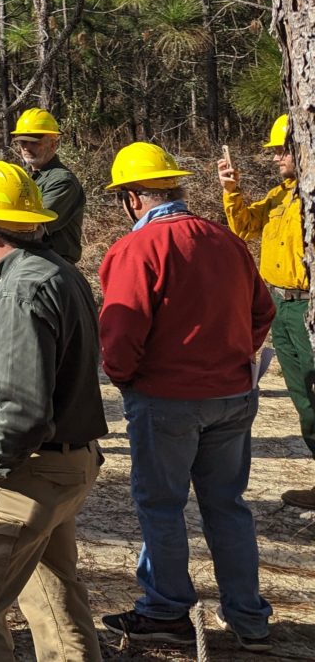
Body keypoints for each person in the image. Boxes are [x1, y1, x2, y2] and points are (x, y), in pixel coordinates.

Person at [100, 142, 275, 654]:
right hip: (232, 396)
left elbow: (122, 330)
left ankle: (165, 611)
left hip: (166, 399)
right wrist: (234, 353)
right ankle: (249, 618)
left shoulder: (136, 250)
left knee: (161, 506)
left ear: (134, 198)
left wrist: (125, 377)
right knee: (228, 507)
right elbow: (261, 311)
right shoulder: (225, 240)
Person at [0, 161, 107, 662]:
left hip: (23, 474)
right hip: (61, 465)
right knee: (54, 598)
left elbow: (24, 406)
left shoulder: (21, 289)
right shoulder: (56, 271)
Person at [221, 112, 314, 507]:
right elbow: (244, 227)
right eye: (275, 151)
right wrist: (231, 191)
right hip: (281, 306)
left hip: (308, 306)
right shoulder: (280, 194)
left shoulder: (308, 197)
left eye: (281, 151)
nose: (276, 158)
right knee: (303, 396)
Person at [12, 107, 86, 263]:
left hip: (54, 265)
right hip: (32, 261)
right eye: (22, 141)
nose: (26, 147)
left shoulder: (63, 181)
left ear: (53, 144)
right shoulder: (27, 178)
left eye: (34, 142)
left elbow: (33, 225)